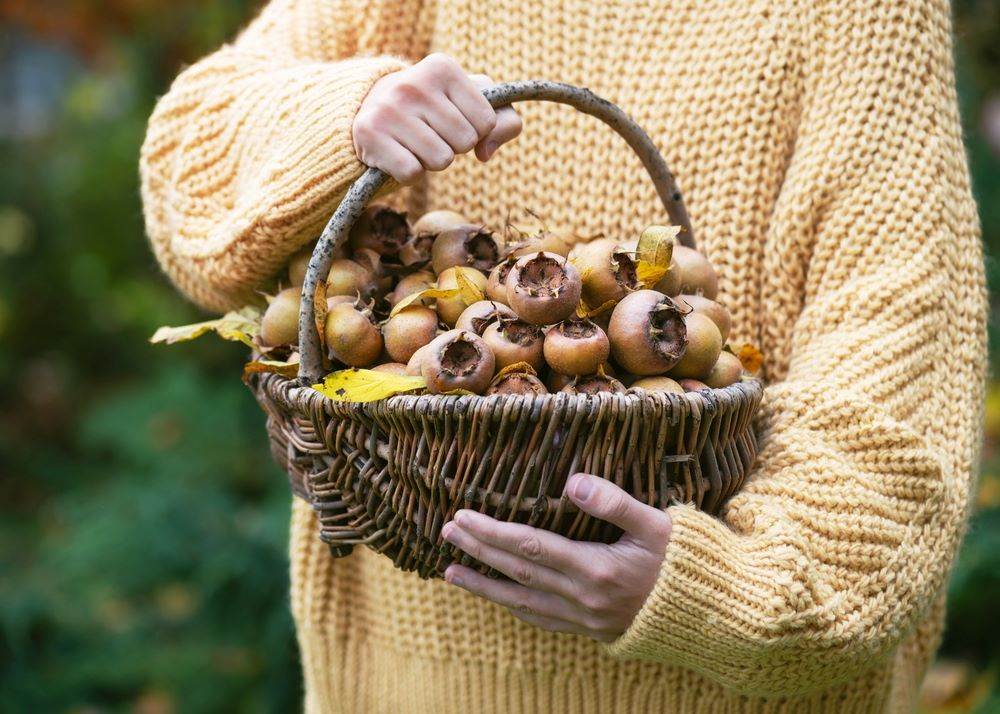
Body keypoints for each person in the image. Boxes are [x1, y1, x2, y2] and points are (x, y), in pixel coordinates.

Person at [140, 0, 987, 711]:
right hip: (408, 680)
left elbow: (899, 333)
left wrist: (728, 589)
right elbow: (190, 170)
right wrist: (342, 116)